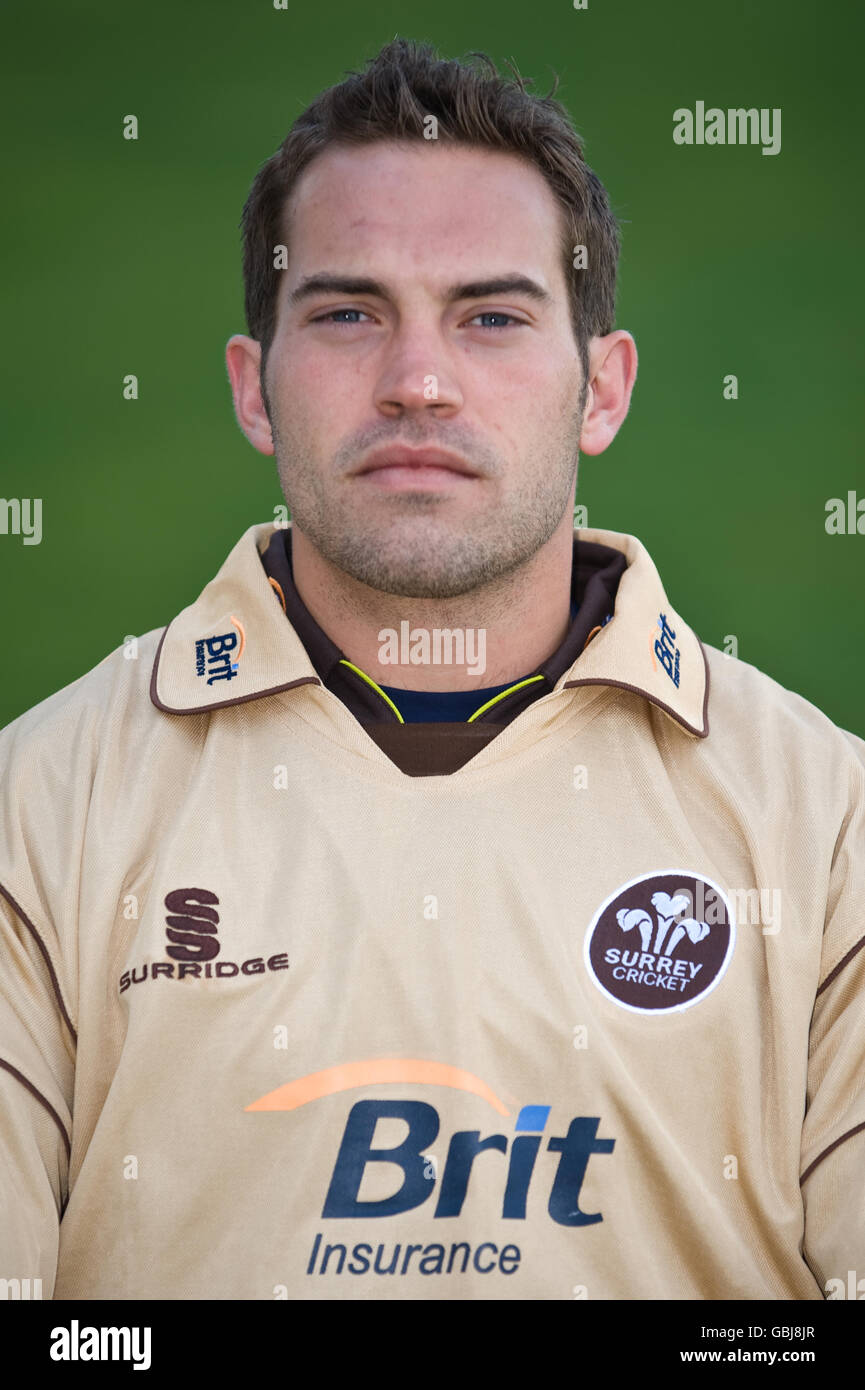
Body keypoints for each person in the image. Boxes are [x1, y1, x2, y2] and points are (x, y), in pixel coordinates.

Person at [1, 37, 862, 1301]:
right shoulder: (36, 809)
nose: (416, 381)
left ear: (600, 390)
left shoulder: (830, 822)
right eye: (348, 312)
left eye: (492, 318)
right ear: (255, 389)